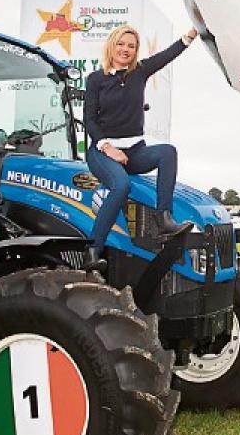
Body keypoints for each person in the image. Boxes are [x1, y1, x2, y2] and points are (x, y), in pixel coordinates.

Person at [83, 24, 199, 268]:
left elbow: (167, 55)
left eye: (131, 46)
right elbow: (89, 120)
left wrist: (190, 35)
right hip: (102, 152)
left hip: (134, 151)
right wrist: (108, 148)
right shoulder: (95, 80)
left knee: (168, 152)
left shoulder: (140, 72)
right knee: (121, 185)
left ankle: (164, 217)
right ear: (112, 45)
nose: (125, 49)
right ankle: (93, 250)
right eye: (121, 44)